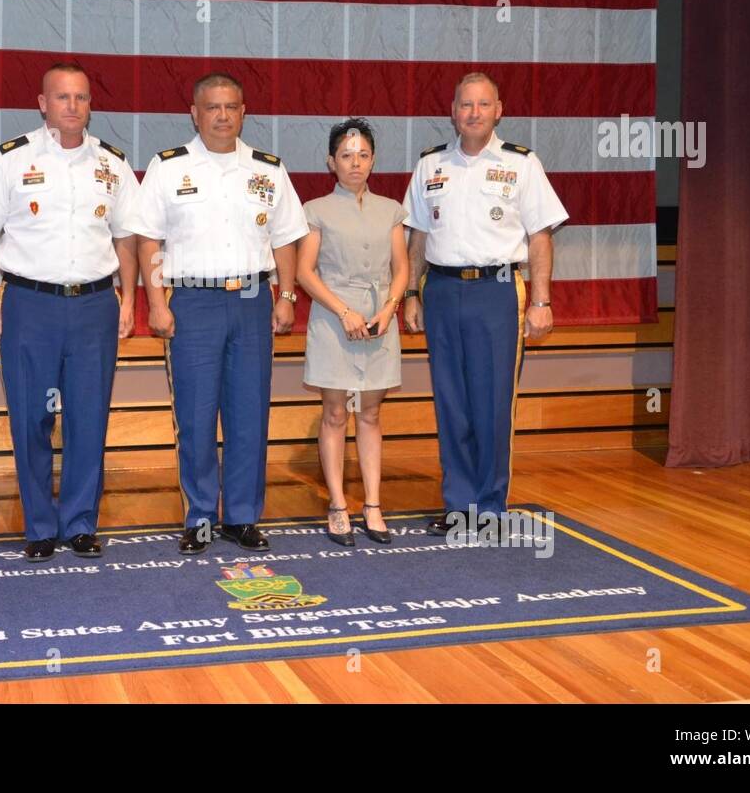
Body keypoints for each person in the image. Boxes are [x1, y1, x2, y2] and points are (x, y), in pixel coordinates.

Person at [131, 73, 308, 555]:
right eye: (212, 107)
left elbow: (287, 236)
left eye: (231, 106)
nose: (223, 116)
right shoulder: (168, 168)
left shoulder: (268, 169)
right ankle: (202, 516)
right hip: (193, 302)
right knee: (195, 414)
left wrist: (287, 295)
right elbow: (148, 238)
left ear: (244, 111)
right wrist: (158, 301)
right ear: (195, 112)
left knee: (249, 413)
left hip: (253, 300)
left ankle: (244, 517)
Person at [0, 63, 138, 563]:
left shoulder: (112, 164)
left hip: (93, 307)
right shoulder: (9, 160)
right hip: (29, 304)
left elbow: (126, 235)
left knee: (88, 418)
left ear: (90, 104)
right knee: (32, 418)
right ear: (42, 104)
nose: (73, 106)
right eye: (62, 97)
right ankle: (41, 525)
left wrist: (129, 298)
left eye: (81, 97)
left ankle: (81, 522)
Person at [401, 73, 568, 538]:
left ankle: (490, 508)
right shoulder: (431, 166)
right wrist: (412, 293)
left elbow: (540, 235)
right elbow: (417, 236)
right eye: (465, 104)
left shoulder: (522, 165)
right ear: (452, 111)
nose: (473, 112)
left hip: (497, 293)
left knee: (493, 404)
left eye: (483, 104)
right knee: (451, 403)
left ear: (499, 110)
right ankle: (459, 506)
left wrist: (541, 300)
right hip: (441, 292)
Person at [296, 119, 409, 546]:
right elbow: (305, 272)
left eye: (363, 155)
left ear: (373, 159)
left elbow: (402, 267)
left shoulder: (391, 208)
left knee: (372, 414)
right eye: (346, 155)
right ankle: (338, 504)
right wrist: (344, 311)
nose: (355, 163)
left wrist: (390, 307)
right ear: (331, 162)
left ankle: (374, 505)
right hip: (332, 318)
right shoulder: (316, 209)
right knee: (335, 413)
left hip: (381, 318)